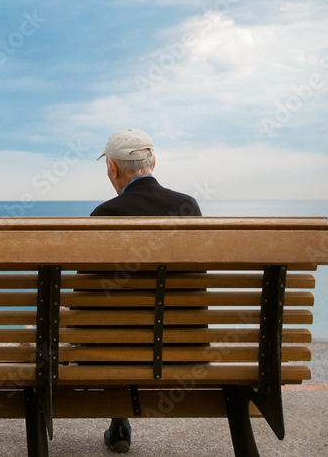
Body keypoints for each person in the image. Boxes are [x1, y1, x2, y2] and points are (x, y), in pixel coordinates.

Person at [89, 129, 201, 453]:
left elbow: (90, 299)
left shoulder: (104, 215)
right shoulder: (188, 207)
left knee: (112, 328)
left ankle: (118, 419)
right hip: (180, 342)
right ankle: (118, 421)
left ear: (112, 167)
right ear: (153, 161)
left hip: (112, 347)